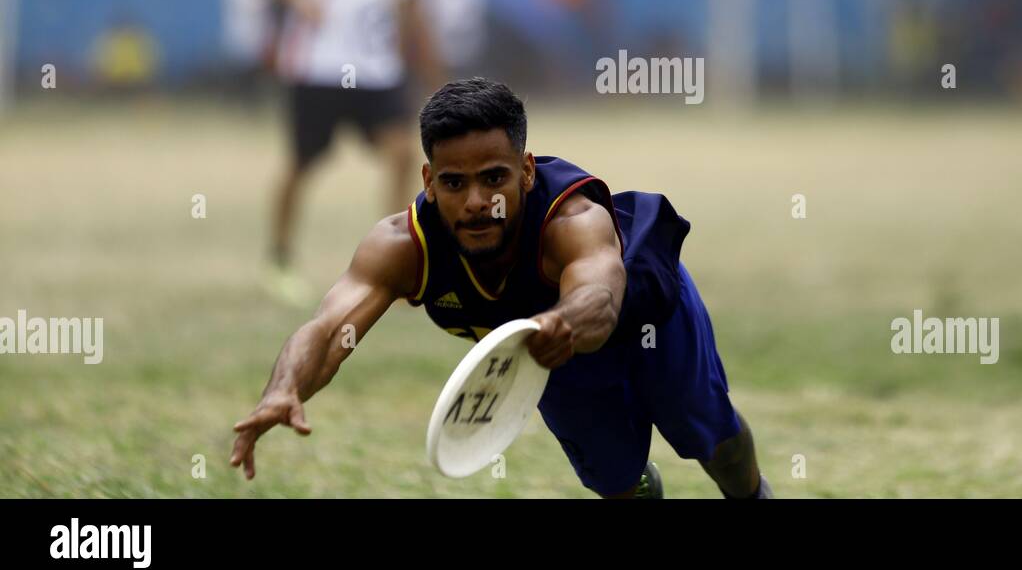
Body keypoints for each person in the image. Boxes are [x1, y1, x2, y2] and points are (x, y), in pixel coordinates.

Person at [231, 77, 771, 499]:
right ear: (427, 181)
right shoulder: (402, 245)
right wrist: (284, 388)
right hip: (548, 351)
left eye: (494, 177)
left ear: (527, 171)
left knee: (711, 440)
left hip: (646, 318)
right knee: (617, 482)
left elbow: (601, 298)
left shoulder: (571, 219)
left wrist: (560, 319)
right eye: (453, 182)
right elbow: (328, 331)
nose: (474, 202)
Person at [266, 0, 441, 302]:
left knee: (402, 152)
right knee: (302, 163)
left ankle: (397, 257)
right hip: (317, 67)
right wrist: (303, 0)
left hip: (373, 67)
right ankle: (280, 256)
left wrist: (416, 48)